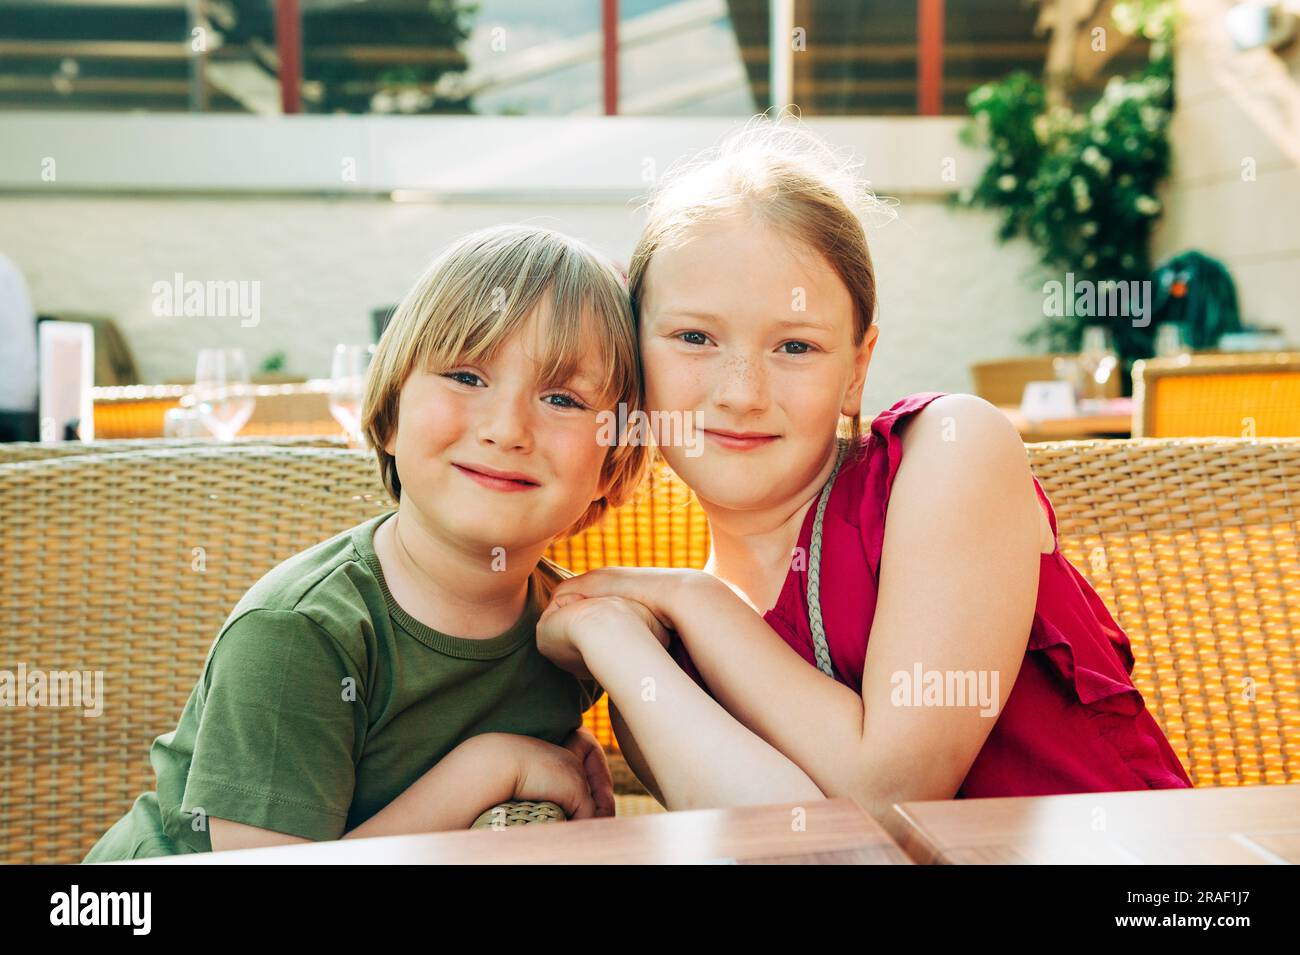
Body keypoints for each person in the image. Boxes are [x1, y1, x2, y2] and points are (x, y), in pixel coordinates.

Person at [537, 118, 1192, 818]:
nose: (741, 391)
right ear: (637, 359)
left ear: (858, 369)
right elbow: (791, 853)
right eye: (694, 337)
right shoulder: (661, 651)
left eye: (795, 347)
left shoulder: (949, 450)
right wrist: (614, 636)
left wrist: (696, 598)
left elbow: (893, 789)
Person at [84, 225, 649, 859]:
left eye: (563, 398)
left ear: (612, 463)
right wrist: (492, 768)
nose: (506, 427)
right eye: (466, 376)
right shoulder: (301, 633)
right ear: (389, 415)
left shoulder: (570, 632)